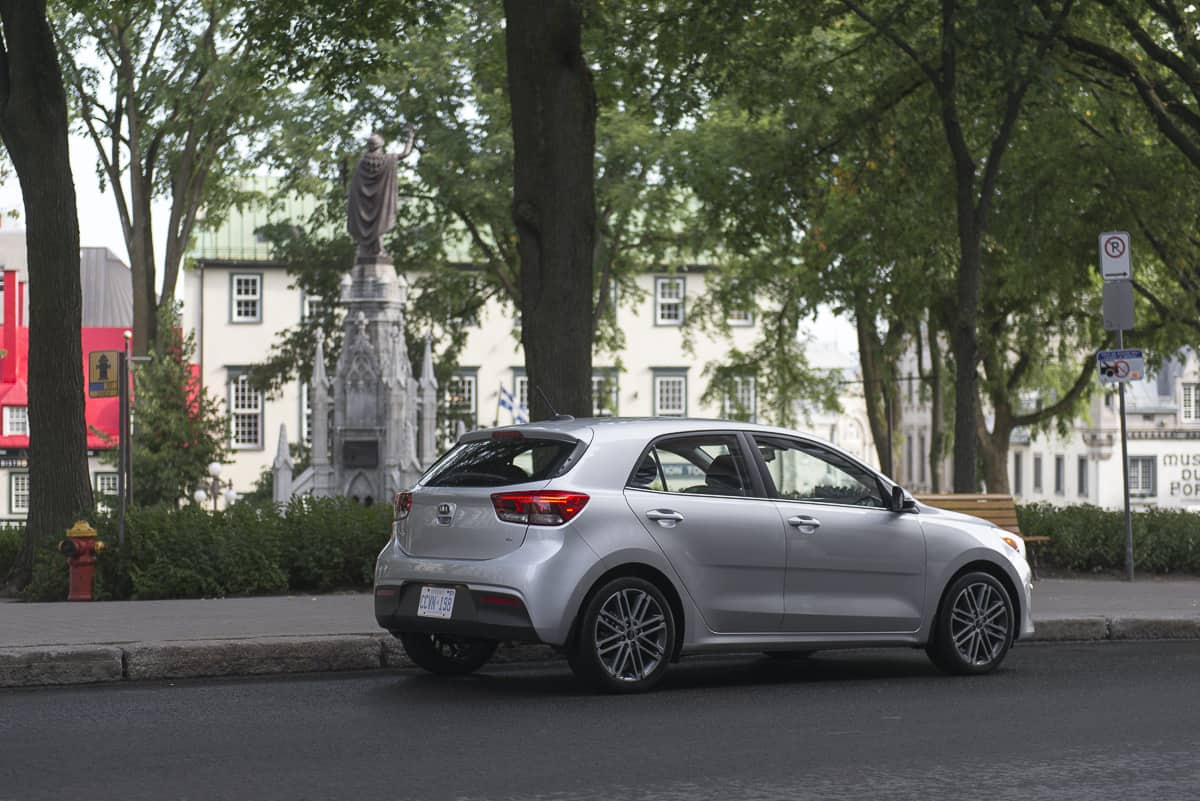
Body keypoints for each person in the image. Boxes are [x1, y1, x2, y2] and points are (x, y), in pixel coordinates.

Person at [347, 127, 416, 258]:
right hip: (381, 198)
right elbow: (405, 153)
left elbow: (355, 184)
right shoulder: (387, 159)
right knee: (379, 224)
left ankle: (365, 250)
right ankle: (378, 249)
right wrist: (410, 138)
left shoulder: (361, 162)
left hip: (363, 201)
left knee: (364, 224)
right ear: (381, 145)